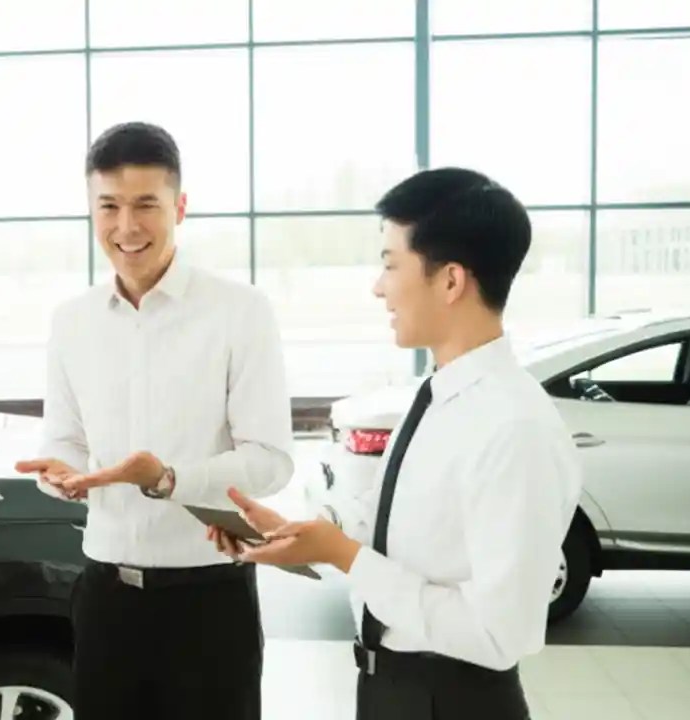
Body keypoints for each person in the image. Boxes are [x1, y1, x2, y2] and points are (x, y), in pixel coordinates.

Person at [210, 167, 584, 719]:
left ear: (451, 280)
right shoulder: (436, 394)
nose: (378, 286)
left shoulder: (514, 426)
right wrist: (303, 532)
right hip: (395, 690)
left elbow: (501, 634)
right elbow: (404, 532)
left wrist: (343, 556)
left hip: (454, 698)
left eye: (390, 264)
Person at [15, 121, 294, 720]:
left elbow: (271, 460)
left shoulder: (239, 313)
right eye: (108, 206)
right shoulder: (73, 321)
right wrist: (59, 474)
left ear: (180, 207)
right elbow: (63, 439)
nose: (126, 227)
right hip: (106, 596)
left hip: (209, 597)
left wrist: (167, 479)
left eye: (146, 205)